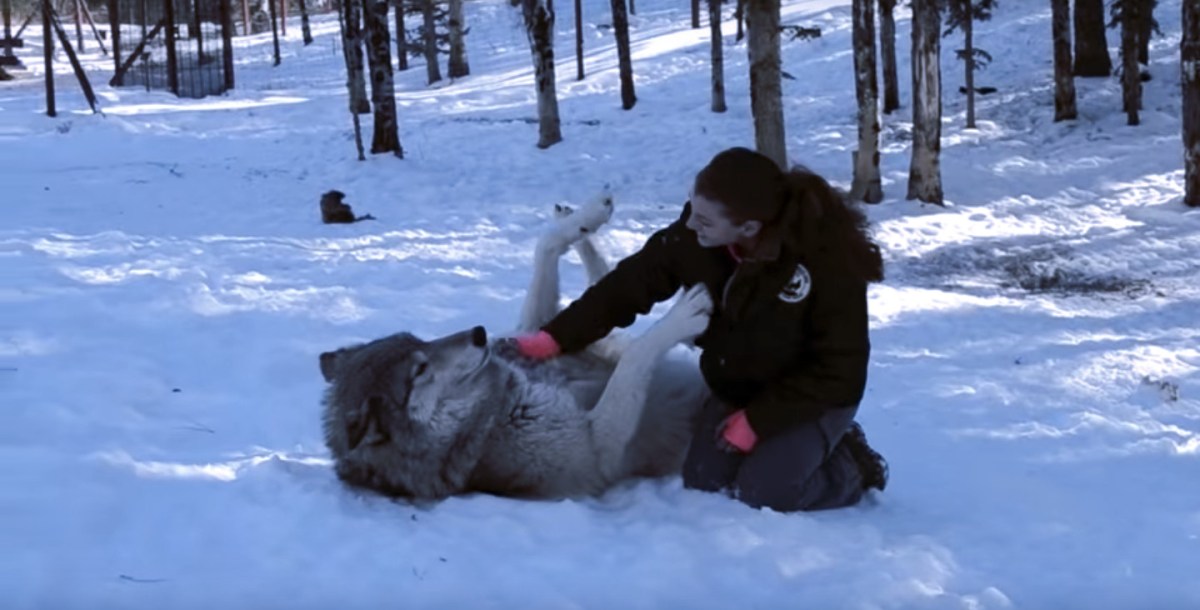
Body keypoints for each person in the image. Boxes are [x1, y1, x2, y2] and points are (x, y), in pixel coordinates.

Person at [513, 147, 888, 512]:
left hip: (811, 396)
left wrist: (759, 422)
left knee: (767, 491)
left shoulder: (826, 264)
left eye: (705, 220)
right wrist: (557, 336)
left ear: (749, 227)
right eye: (692, 208)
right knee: (704, 480)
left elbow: (841, 370)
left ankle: (851, 465)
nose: (691, 224)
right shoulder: (698, 237)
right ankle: (788, 445)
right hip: (737, 385)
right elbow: (628, 287)